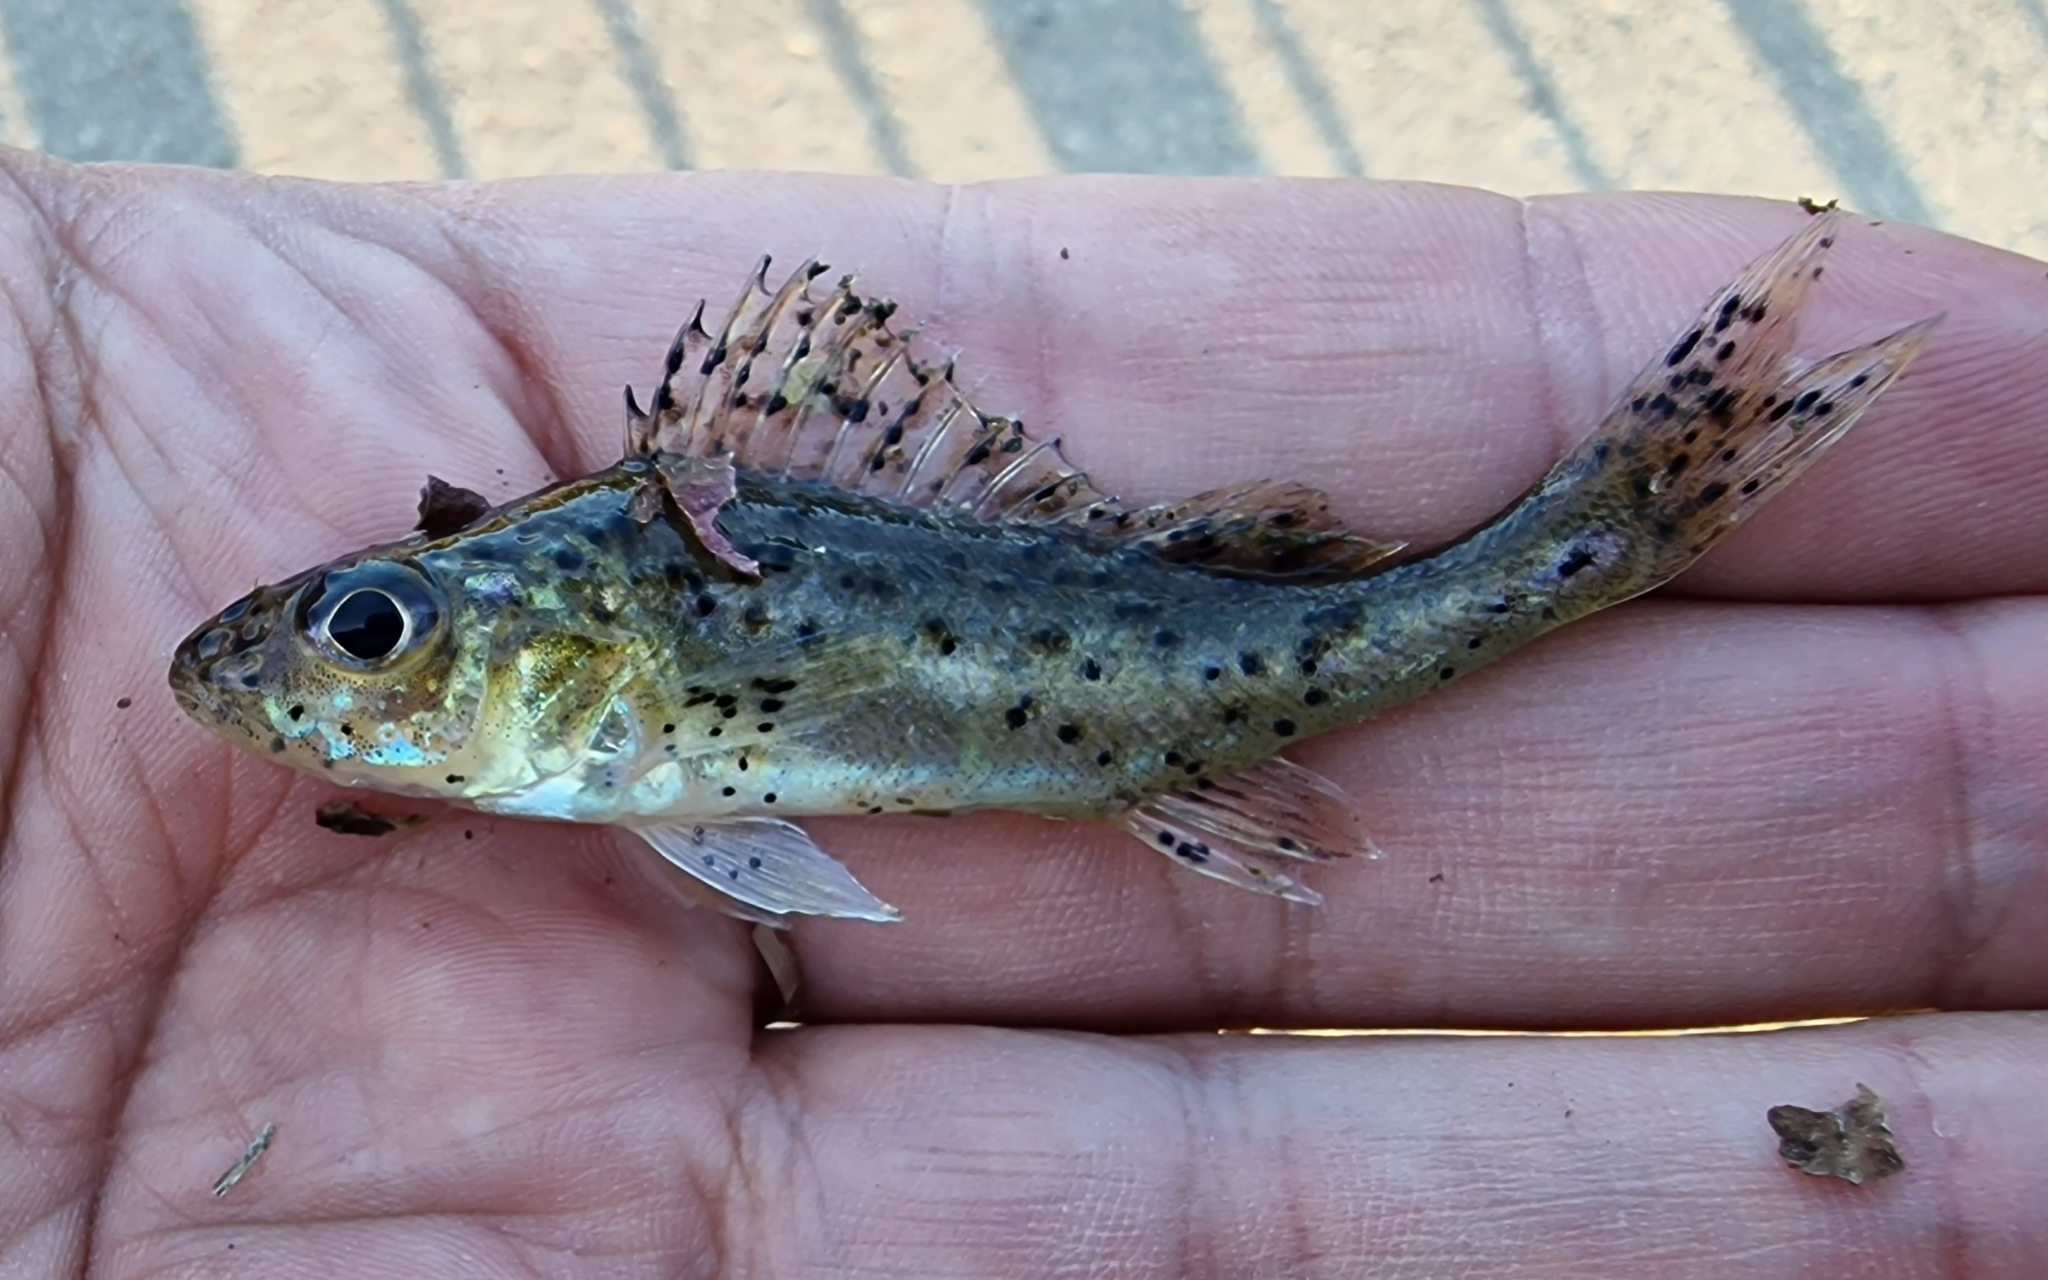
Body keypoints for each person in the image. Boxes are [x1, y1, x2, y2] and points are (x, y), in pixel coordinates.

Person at [0, 154, 2041, 1276]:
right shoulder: (621, 704)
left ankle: (1638, 504)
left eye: (372, 630)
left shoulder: (632, 651)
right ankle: (1641, 499)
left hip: (1169, 676)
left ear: (586, 655)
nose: (321, 680)